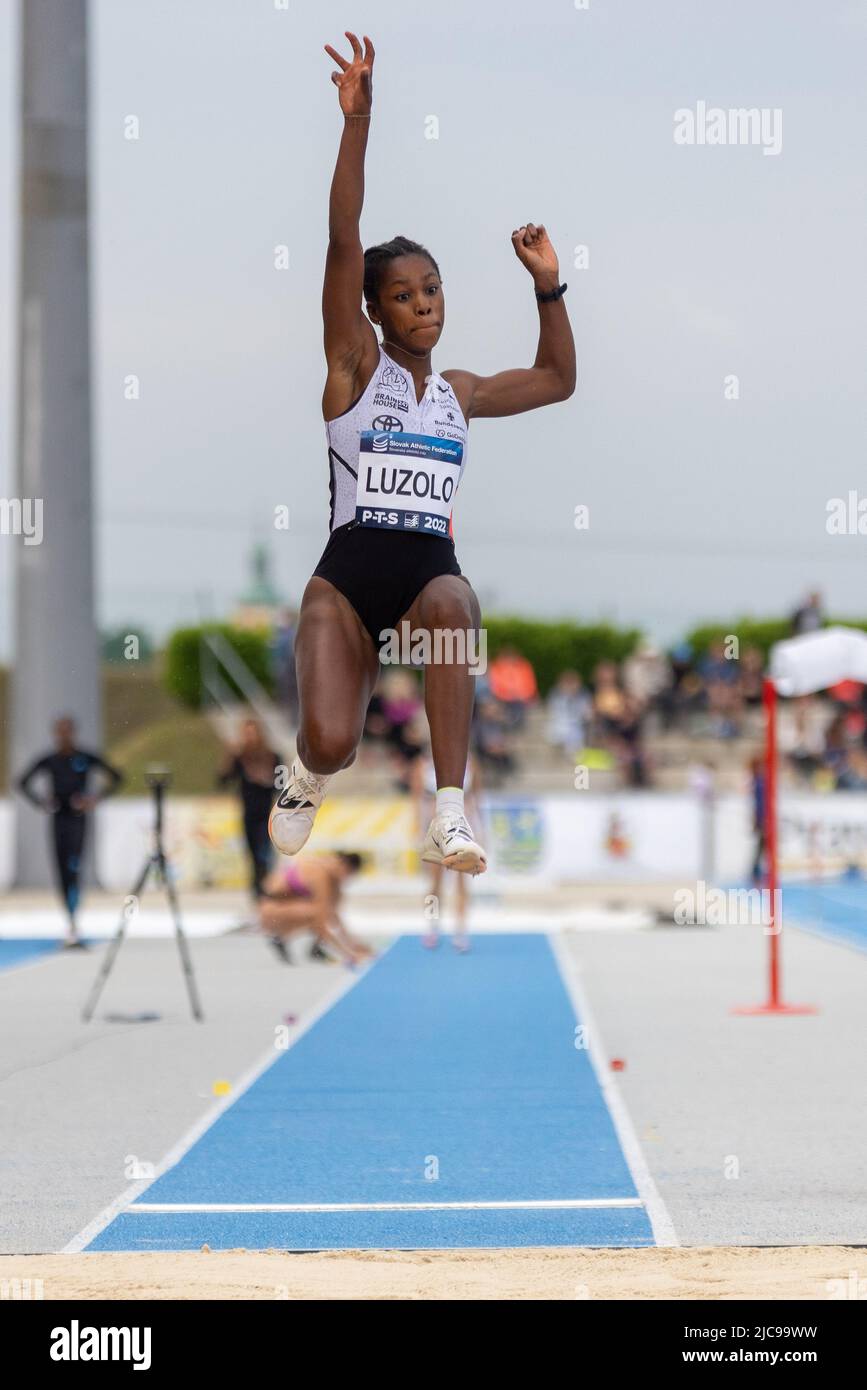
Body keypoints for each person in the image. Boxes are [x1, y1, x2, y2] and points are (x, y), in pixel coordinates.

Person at [268, 32, 575, 879]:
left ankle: (448, 813)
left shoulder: (461, 393)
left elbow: (556, 379)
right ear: (371, 312)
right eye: (400, 297)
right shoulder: (352, 371)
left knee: (453, 601)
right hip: (345, 587)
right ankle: (303, 773)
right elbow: (341, 237)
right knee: (333, 741)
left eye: (430, 290)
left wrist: (547, 284)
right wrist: (358, 120)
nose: (420, 306)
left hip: (422, 588)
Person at [17, 716, 124, 948]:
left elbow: (117, 777)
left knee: (75, 868)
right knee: (61, 870)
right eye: (60, 731)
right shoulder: (50, 759)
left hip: (77, 819)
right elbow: (23, 781)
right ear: (56, 734)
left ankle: (74, 924)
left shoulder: (84, 758)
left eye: (68, 731)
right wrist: (41, 802)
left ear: (73, 733)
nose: (64, 736)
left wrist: (95, 798)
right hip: (58, 819)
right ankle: (69, 919)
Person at [410, 748, 481, 953]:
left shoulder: (469, 762)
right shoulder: (422, 764)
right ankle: (433, 927)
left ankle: (461, 930)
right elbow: (416, 800)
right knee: (435, 882)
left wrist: (481, 829)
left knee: (461, 880)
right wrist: (418, 831)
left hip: (462, 827)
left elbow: (476, 797)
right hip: (435, 828)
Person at [259, 851, 373, 966]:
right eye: (348, 874)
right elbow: (320, 922)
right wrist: (349, 954)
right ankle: (283, 937)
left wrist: (354, 944)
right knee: (317, 913)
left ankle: (315, 945)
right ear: (342, 865)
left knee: (328, 905)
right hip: (270, 912)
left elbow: (336, 918)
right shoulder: (319, 874)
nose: (346, 879)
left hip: (287, 907)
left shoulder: (333, 878)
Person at [217, 718, 282, 902]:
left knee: (265, 856)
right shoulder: (240, 758)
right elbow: (222, 780)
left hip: (267, 814)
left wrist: (266, 780)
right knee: (252, 855)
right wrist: (228, 756)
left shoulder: (272, 756)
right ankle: (258, 897)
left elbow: (281, 784)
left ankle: (267, 893)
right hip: (248, 813)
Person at [487, 646, 539, 730]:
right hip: (502, 698)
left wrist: (523, 695)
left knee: (518, 709)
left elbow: (530, 684)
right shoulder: (496, 667)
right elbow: (495, 685)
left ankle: (514, 726)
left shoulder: (523, 667)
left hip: (520, 698)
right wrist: (508, 694)